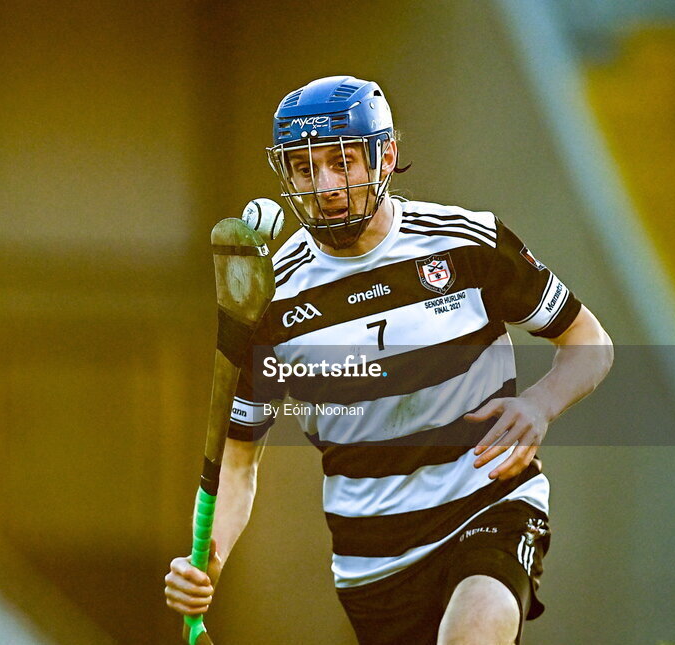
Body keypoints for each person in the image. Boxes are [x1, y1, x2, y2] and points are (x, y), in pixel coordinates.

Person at [166, 75, 614, 645]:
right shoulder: (270, 298)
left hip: (488, 506)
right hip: (372, 563)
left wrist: (541, 404)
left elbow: (589, 342)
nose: (326, 184)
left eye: (342, 160)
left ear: (386, 156)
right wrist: (211, 559)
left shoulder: (466, 243)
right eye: (306, 168)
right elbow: (238, 460)